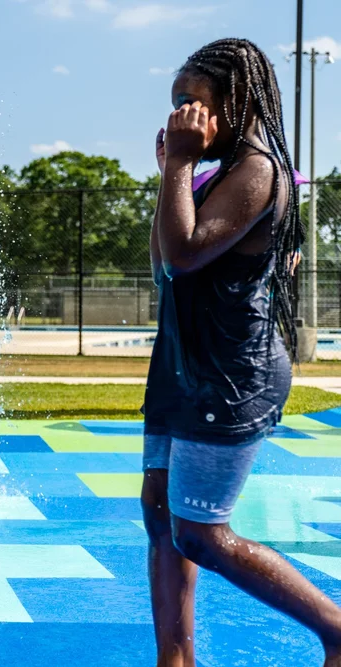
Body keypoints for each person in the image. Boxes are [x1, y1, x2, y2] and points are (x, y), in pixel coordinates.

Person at [142, 39, 341, 667]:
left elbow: (184, 253)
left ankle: (336, 628)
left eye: (192, 104)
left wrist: (177, 168)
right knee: (159, 514)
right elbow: (163, 269)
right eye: (176, 106)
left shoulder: (258, 169)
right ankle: (175, 659)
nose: (182, 118)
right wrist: (170, 174)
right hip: (183, 367)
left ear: (237, 100)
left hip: (231, 373)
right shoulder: (217, 171)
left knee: (200, 534)